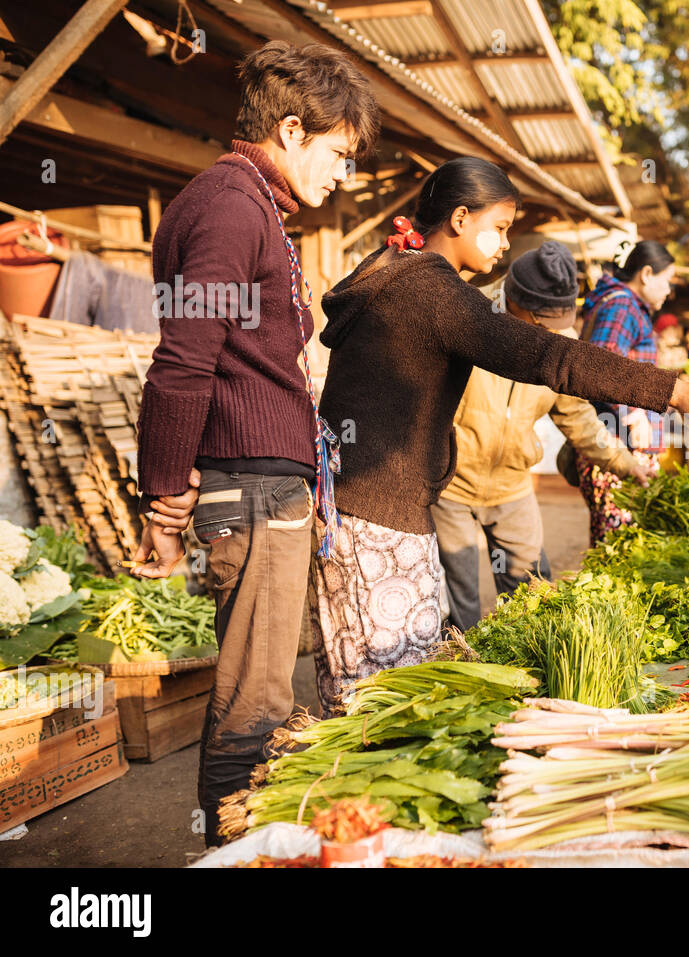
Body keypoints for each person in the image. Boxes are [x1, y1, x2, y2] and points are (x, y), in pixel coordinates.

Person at [310, 160, 689, 712]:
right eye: (500, 227)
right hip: (376, 516)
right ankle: (341, 793)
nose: (504, 244)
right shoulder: (432, 292)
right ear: (460, 219)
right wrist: (673, 391)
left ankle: (354, 793)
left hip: (374, 507)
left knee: (384, 679)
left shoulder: (405, 271)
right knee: (378, 699)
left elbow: (559, 378)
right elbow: (548, 356)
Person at [129, 42, 380, 846]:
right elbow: (183, 359)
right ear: (293, 128)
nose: (344, 174)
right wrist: (163, 497)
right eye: (340, 154)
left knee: (264, 689)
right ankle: (232, 852)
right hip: (254, 488)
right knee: (254, 699)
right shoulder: (232, 206)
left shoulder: (246, 204)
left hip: (266, 485)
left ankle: (244, 847)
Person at [431, 242, 652, 633]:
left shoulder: (559, 337)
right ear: (522, 307)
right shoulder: (469, 315)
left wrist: (623, 461)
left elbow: (577, 416)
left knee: (533, 594)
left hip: (512, 487)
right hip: (452, 486)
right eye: (545, 323)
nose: (552, 332)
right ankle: (466, 674)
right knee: (460, 600)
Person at [575, 240, 677, 546]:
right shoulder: (622, 306)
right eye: (667, 280)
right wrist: (634, 414)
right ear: (647, 273)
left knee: (625, 545)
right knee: (619, 548)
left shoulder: (624, 305)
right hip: (617, 445)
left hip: (620, 444)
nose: (669, 290)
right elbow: (600, 367)